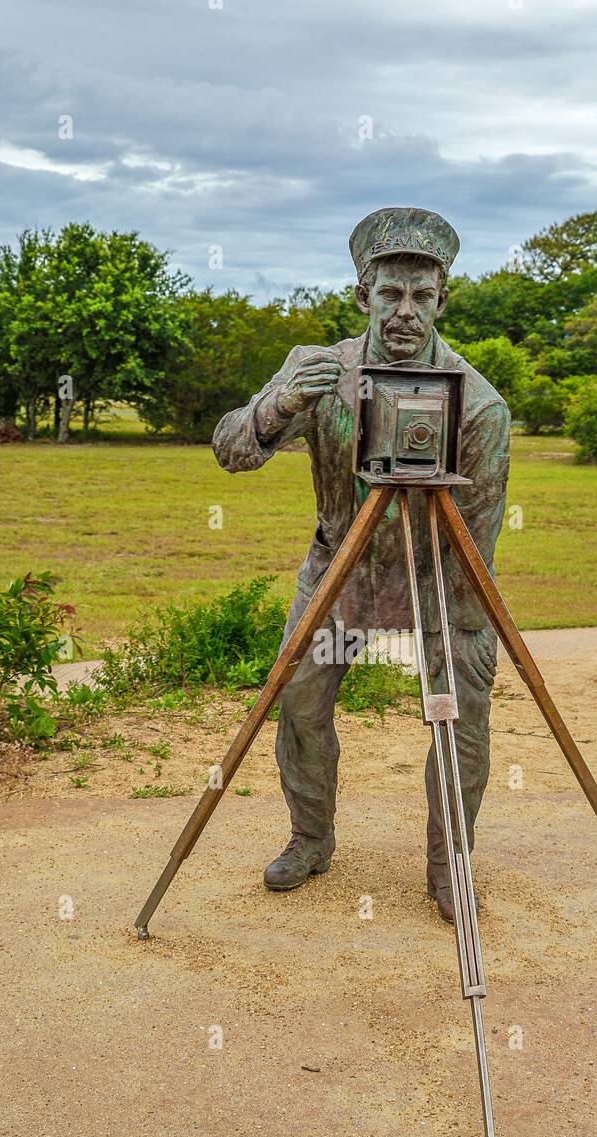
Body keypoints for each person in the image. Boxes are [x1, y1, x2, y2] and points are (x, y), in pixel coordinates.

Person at [212, 207, 510, 920]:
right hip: (338, 570)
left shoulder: (479, 406)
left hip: (437, 576)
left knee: (460, 716)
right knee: (299, 701)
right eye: (390, 294)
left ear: (442, 299)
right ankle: (310, 839)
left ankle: (449, 868)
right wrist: (278, 405)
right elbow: (231, 452)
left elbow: (479, 537)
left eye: (422, 296)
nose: (406, 312)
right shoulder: (316, 369)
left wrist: (467, 642)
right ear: (361, 295)